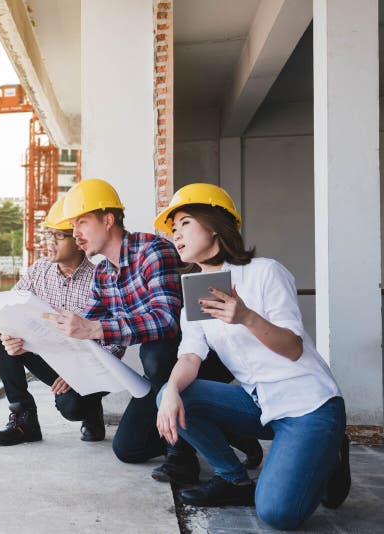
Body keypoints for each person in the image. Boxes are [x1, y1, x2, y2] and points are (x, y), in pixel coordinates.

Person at [153, 183, 349, 529]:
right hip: (259, 402)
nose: (175, 235)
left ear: (214, 225)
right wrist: (170, 391)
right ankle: (232, 479)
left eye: (184, 223)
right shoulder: (195, 292)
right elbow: (190, 357)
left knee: (278, 514)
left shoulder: (265, 272)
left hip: (309, 406)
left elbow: (293, 347)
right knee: (173, 394)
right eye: (173, 229)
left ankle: (329, 450)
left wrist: (245, 316)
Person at [46, 178, 259, 484]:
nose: (75, 233)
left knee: (156, 350)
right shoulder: (103, 275)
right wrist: (68, 361)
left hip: (199, 363)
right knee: (128, 449)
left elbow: (166, 320)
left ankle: (181, 457)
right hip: (163, 374)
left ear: (108, 221)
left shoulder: (152, 250)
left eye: (81, 222)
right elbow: (88, 331)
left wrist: (96, 328)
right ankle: (225, 429)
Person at [0, 195, 124, 446]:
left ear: (78, 239)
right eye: (49, 235)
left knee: (72, 408)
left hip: (91, 367)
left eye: (59, 236)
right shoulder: (39, 270)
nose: (49, 243)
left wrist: (79, 373)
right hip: (52, 357)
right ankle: (24, 419)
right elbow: (6, 310)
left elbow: (117, 343)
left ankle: (91, 408)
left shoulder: (100, 278)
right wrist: (5, 331)